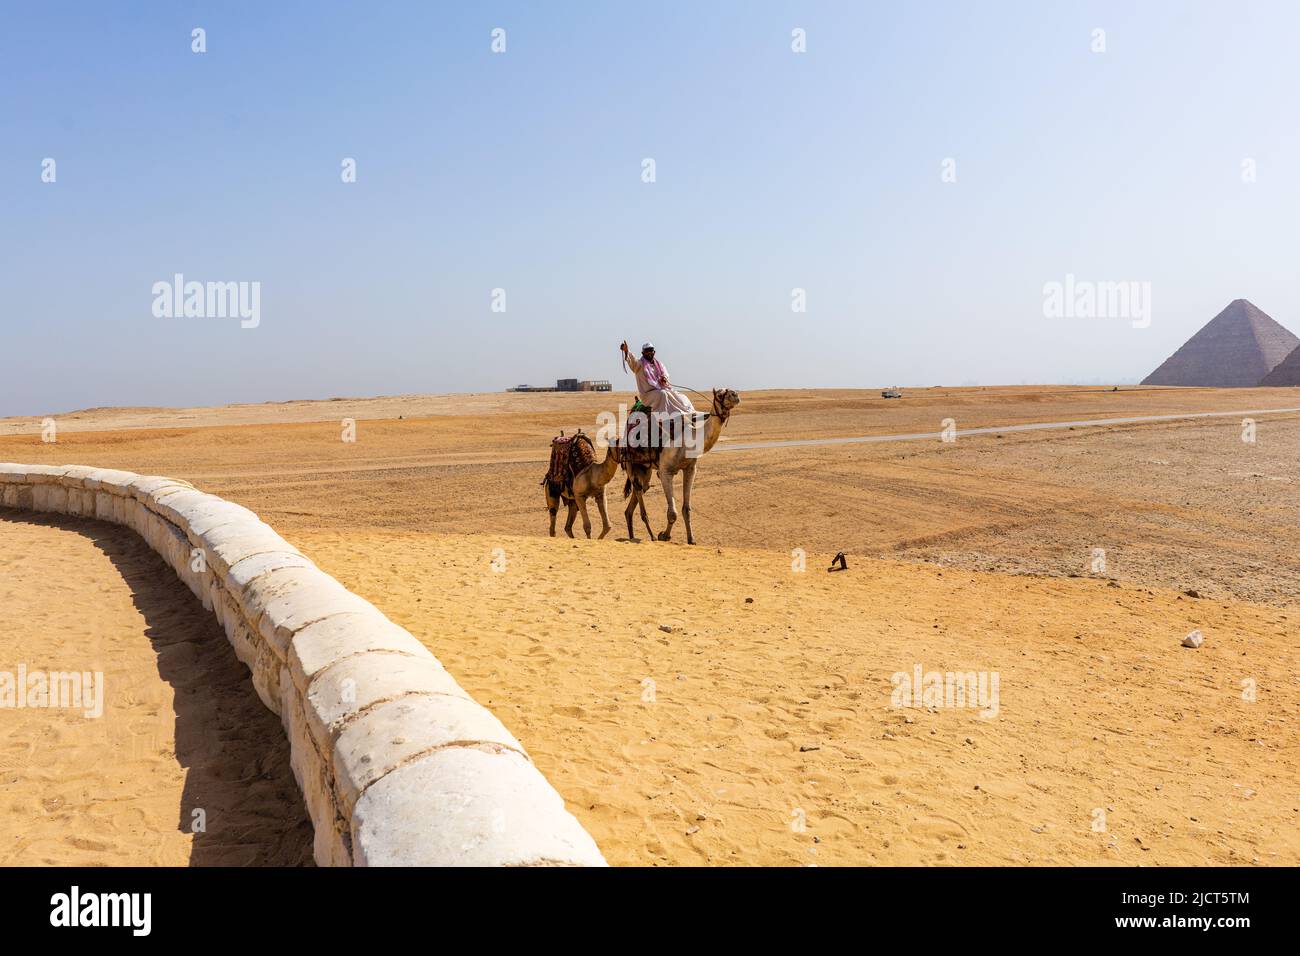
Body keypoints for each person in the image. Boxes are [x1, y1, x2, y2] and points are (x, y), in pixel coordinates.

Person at [620, 340, 697, 417]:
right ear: (643, 353)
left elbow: (666, 375)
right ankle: (665, 417)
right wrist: (627, 351)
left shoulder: (659, 365)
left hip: (662, 390)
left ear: (654, 352)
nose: (649, 352)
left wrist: (664, 378)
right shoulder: (640, 364)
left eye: (651, 350)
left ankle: (689, 413)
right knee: (662, 394)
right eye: (647, 351)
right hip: (648, 395)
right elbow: (633, 361)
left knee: (680, 396)